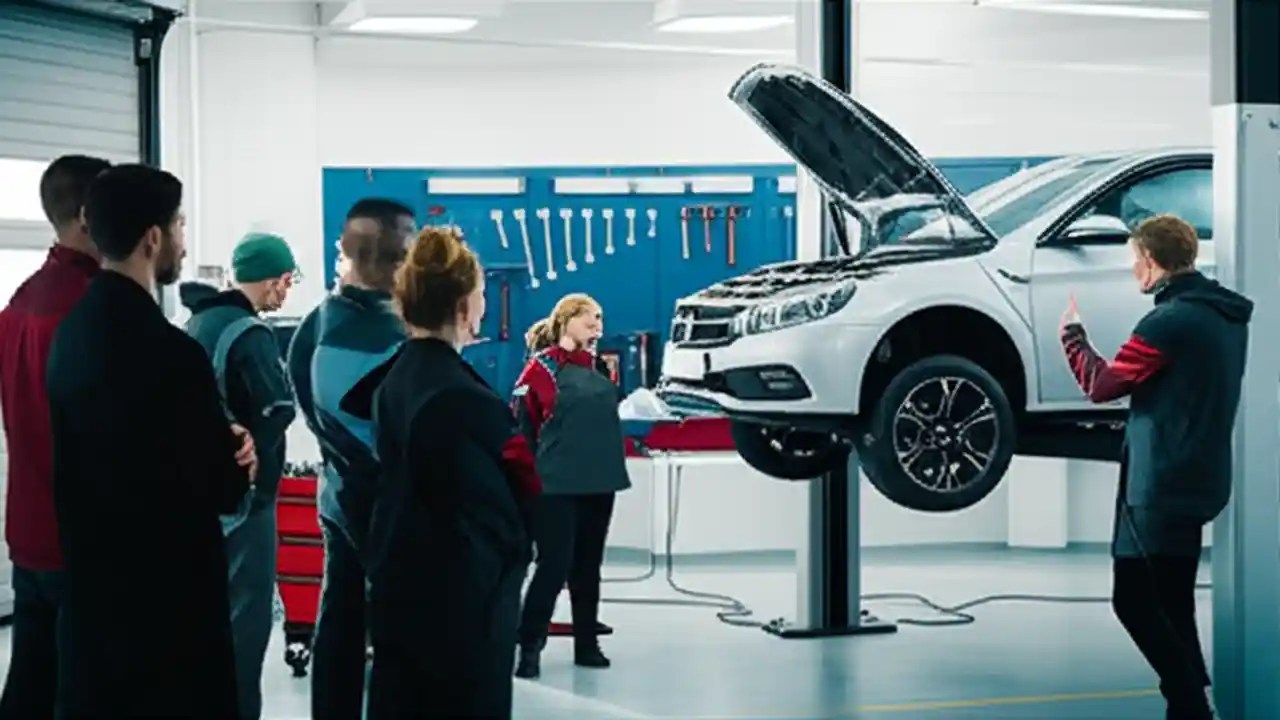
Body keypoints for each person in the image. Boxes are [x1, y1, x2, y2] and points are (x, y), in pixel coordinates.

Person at [45, 164, 257, 718]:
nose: (183, 245)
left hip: (93, 602)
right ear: (154, 237)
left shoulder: (70, 335)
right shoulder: (171, 354)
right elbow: (222, 485)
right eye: (180, 227)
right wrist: (238, 455)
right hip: (166, 617)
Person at [339, 225, 539, 718]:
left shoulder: (393, 382)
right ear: (465, 306)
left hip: (397, 587)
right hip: (456, 612)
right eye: (482, 295)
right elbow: (495, 517)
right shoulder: (462, 399)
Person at [1059, 214, 1251, 720]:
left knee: (1134, 601)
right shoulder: (1224, 315)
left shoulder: (1168, 322)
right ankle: (1187, 706)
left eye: (1132, 262)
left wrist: (1072, 338)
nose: (1131, 271)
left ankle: (1190, 702)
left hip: (1159, 485)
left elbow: (1101, 386)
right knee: (1173, 599)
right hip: (1202, 475)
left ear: (1149, 261)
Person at [287, 198, 416, 720]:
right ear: (399, 255)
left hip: (338, 498)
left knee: (339, 623)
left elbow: (309, 410)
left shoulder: (315, 325)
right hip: (388, 508)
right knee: (398, 637)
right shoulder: (394, 337)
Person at [0, 154, 110, 718]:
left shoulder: (20, 300)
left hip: (29, 528)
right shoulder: (91, 308)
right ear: (92, 216)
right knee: (82, 691)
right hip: (80, 532)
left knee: (29, 685)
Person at [180, 231, 300, 720]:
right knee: (245, 625)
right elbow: (277, 408)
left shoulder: (196, 323)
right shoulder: (251, 334)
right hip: (247, 497)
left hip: (196, 495)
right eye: (286, 282)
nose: (286, 293)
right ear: (276, 281)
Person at [512, 294, 631, 679]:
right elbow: (524, 430)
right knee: (553, 565)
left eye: (600, 319)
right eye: (590, 320)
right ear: (567, 321)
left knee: (588, 566)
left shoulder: (601, 369)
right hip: (555, 484)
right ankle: (529, 648)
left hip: (600, 479)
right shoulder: (539, 370)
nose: (598, 327)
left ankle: (586, 644)